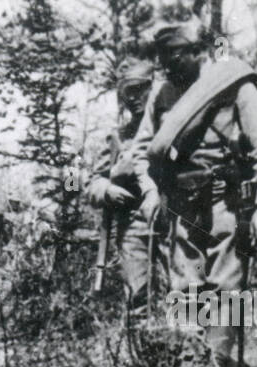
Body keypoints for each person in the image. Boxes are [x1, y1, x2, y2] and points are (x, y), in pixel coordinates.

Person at [132, 16, 257, 367]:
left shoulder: (232, 85)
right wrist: (149, 193)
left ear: (199, 51)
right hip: (179, 202)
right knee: (185, 284)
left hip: (224, 199)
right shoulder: (161, 93)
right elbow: (142, 150)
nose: (167, 64)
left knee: (226, 282)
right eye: (163, 57)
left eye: (176, 55)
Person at [86, 58, 168, 332]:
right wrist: (107, 191)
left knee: (183, 293)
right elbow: (90, 182)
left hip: (172, 220)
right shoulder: (117, 137)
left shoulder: (171, 127)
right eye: (126, 93)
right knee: (137, 297)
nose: (133, 99)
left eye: (139, 90)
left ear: (153, 87)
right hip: (132, 225)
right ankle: (141, 361)